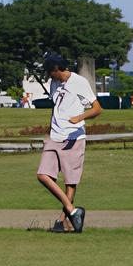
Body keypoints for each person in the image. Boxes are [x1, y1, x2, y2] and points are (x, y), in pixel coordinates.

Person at [38, 55, 99, 232]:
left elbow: (97, 108)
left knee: (70, 182)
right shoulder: (54, 84)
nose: (49, 76)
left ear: (56, 70)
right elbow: (56, 108)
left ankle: (63, 221)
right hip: (54, 136)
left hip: (73, 138)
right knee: (42, 175)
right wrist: (48, 132)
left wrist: (78, 118)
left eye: (50, 72)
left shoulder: (79, 82)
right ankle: (73, 210)